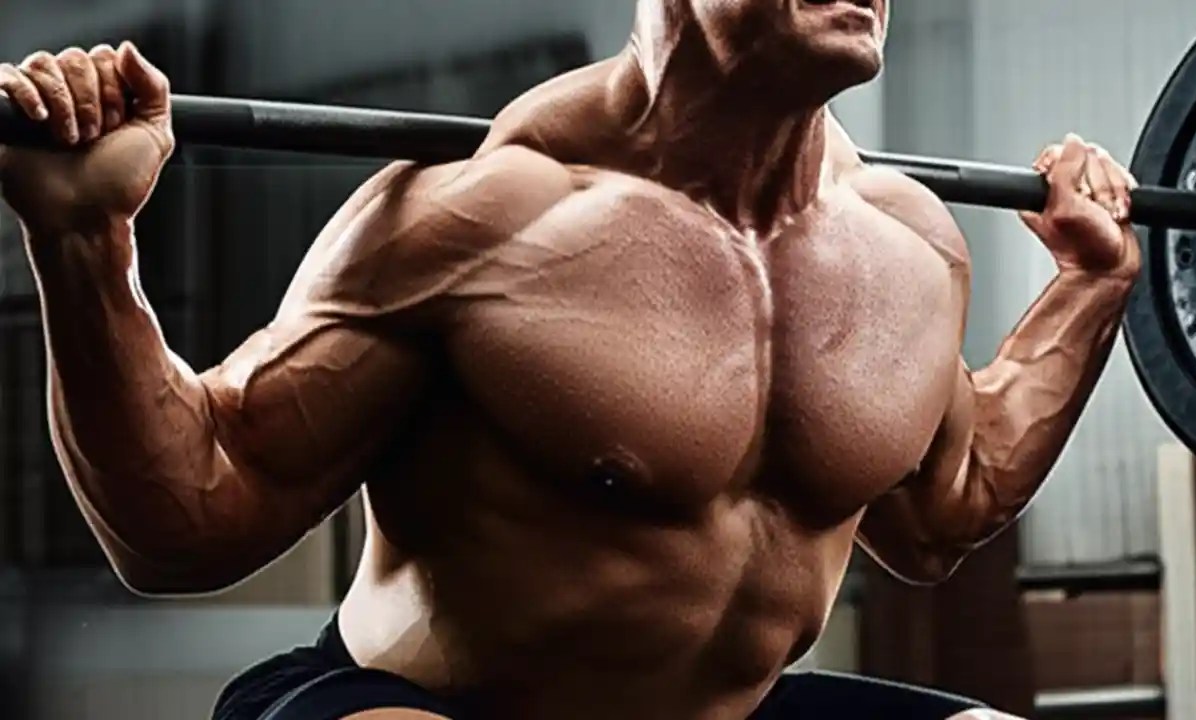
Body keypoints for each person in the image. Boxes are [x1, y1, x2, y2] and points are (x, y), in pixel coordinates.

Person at [0, 0, 1138, 718]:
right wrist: (84, 243)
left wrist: (1088, 293)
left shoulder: (905, 244)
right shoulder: (478, 221)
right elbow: (189, 519)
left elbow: (940, 511)